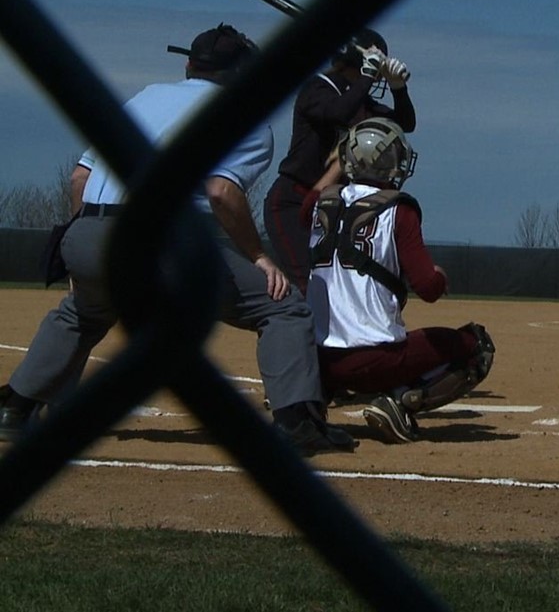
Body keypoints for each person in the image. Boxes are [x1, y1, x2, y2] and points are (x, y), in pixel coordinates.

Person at [0, 23, 357, 456]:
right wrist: (260, 256)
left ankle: (14, 410)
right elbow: (221, 192)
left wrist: (86, 244)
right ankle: (298, 424)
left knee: (84, 312)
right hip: (162, 239)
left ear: (189, 64)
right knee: (282, 308)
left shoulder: (145, 98)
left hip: (89, 231)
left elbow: (80, 177)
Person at [304, 117, 494, 443]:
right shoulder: (399, 210)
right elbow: (427, 289)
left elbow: (315, 194)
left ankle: (312, 402)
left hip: (314, 359)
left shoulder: (318, 203)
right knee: (476, 344)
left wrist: (339, 164)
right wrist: (438, 276)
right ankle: (400, 403)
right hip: (374, 361)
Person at [264, 29, 416, 294]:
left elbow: (405, 124)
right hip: (293, 199)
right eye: (372, 71)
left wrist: (398, 88)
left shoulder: (359, 100)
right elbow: (338, 113)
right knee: (308, 281)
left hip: (331, 207)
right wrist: (368, 75)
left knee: (336, 287)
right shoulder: (317, 89)